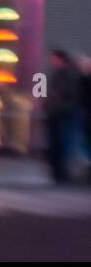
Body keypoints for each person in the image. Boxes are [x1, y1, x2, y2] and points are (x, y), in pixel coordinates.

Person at [48, 50, 82, 183]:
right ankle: (57, 171)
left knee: (64, 142)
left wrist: (54, 101)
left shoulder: (68, 74)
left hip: (63, 113)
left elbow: (66, 94)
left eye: (54, 58)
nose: (52, 61)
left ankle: (62, 172)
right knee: (59, 142)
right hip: (57, 113)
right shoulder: (57, 73)